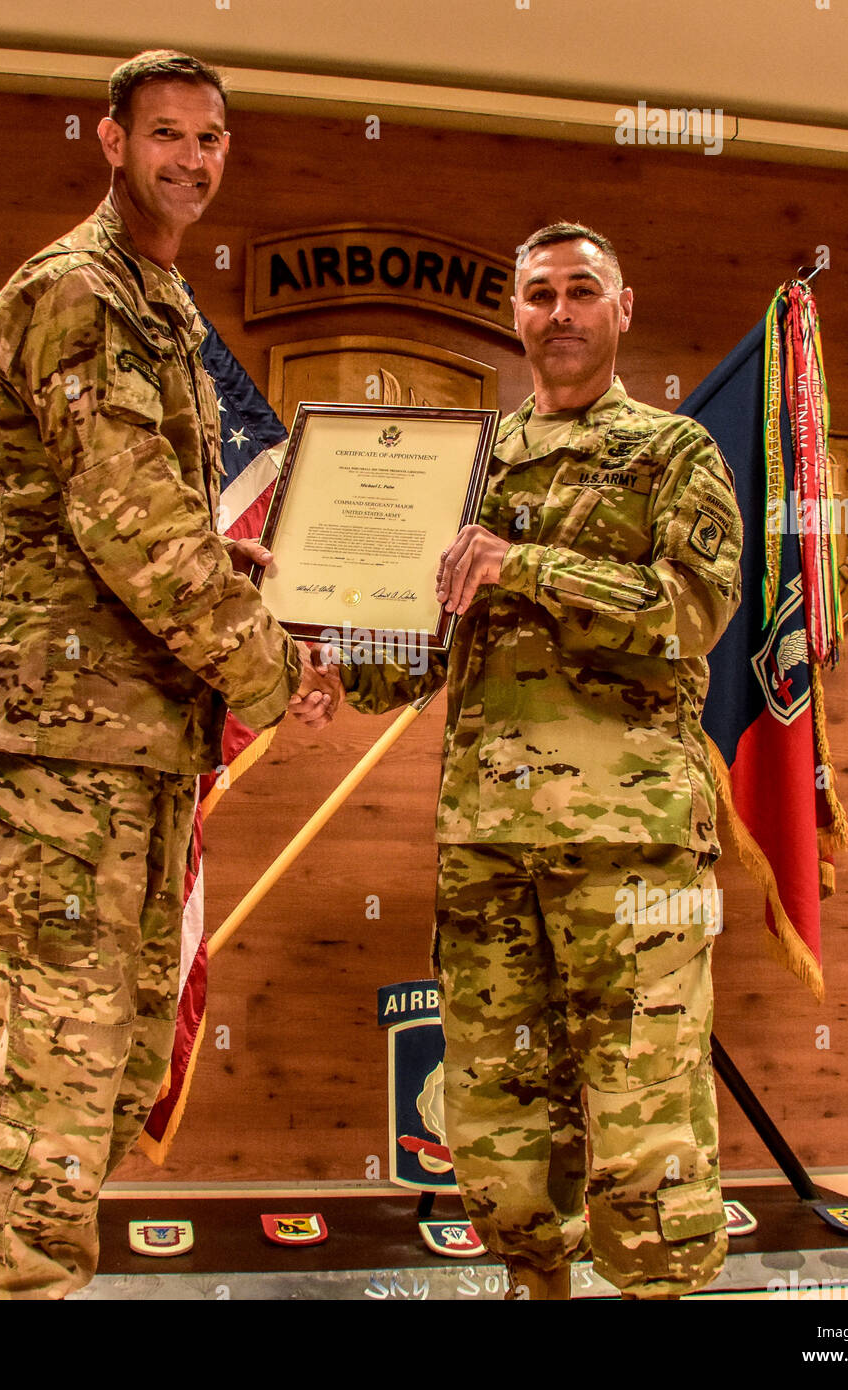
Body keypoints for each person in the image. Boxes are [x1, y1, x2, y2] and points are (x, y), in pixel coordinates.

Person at [300, 222, 743, 1299]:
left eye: (580, 290)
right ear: (514, 315)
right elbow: (416, 651)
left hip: (630, 853)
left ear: (620, 308)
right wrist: (329, 645)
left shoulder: (671, 454)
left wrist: (527, 563)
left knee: (646, 1133)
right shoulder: (470, 464)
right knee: (496, 1132)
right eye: (537, 294)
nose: (558, 313)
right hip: (486, 847)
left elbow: (691, 611)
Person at [0, 49, 333, 1299]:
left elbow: (161, 521)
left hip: (141, 746)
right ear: (109, 141)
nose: (190, 158)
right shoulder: (80, 295)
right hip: (63, 752)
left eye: (211, 138)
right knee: (60, 1071)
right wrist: (275, 668)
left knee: (113, 1073)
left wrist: (271, 575)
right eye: (164, 133)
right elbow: (131, 527)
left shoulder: (160, 306)